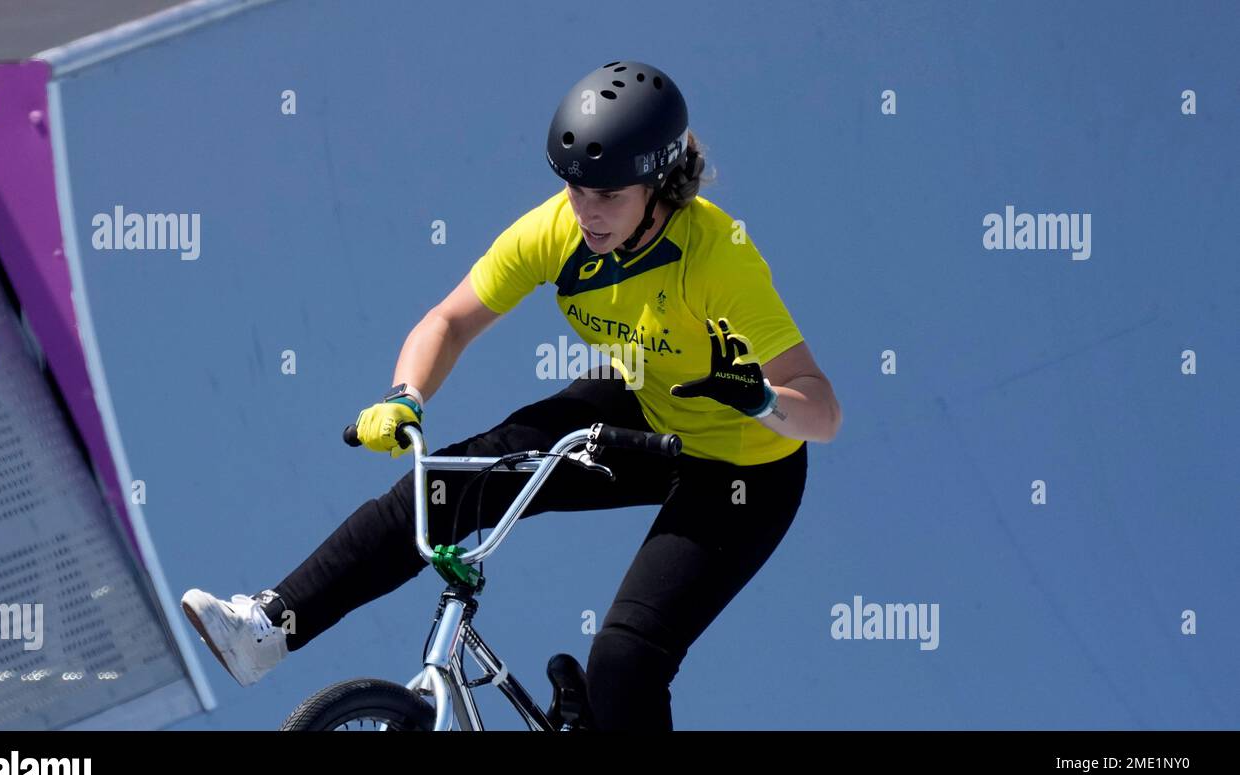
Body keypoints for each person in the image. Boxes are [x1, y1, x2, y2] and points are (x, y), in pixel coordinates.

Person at [181, 60, 842, 730]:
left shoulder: (719, 258)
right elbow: (450, 321)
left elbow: (823, 410)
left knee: (624, 657)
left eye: (609, 194)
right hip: (642, 408)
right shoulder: (558, 230)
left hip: (744, 467)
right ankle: (265, 627)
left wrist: (760, 396)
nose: (587, 210)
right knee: (446, 485)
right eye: (576, 187)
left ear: (659, 182)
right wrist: (405, 395)